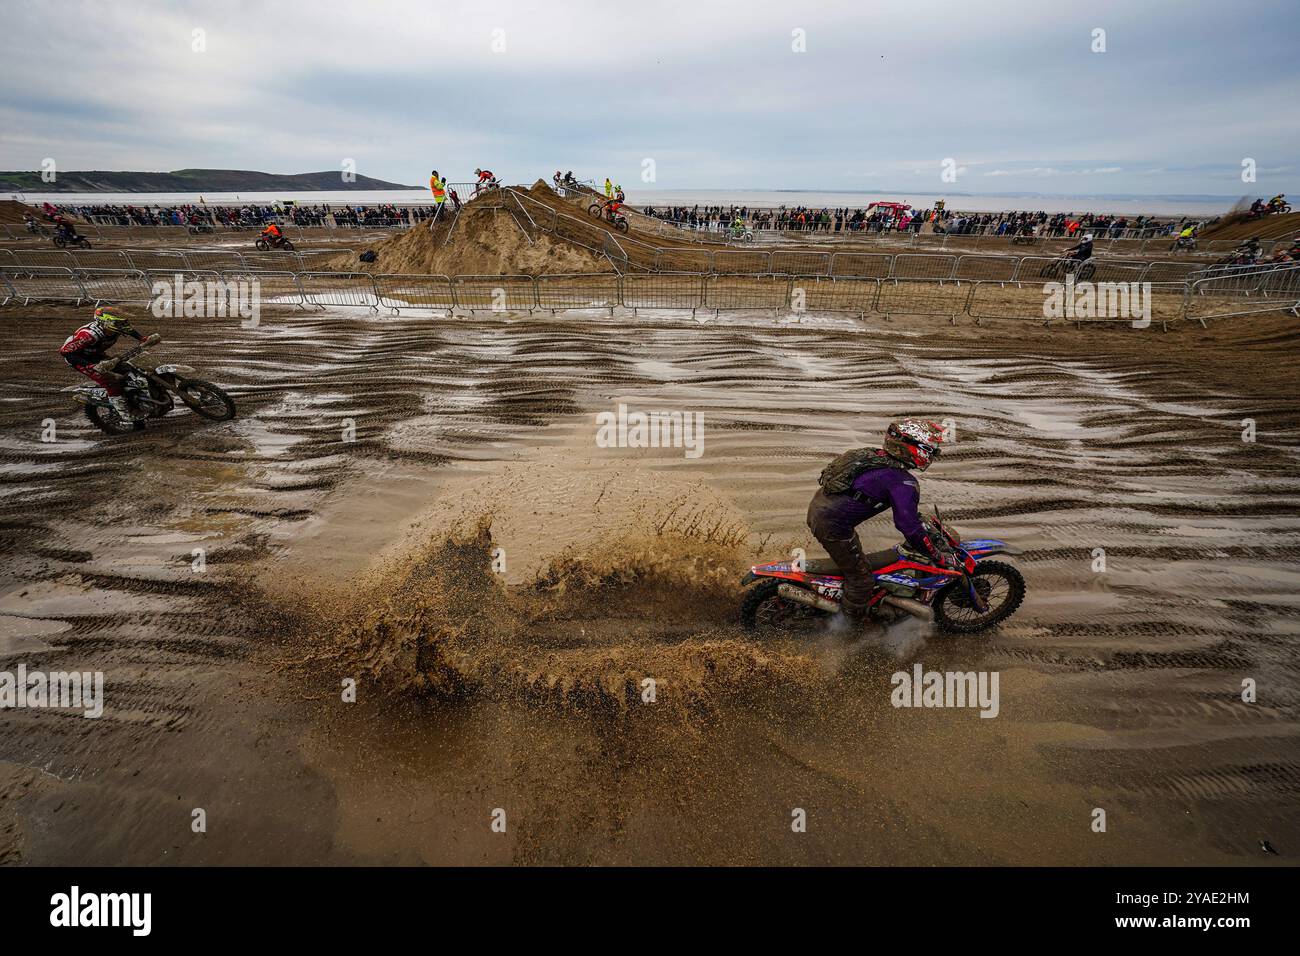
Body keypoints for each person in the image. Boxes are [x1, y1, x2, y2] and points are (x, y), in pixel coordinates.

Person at [806, 420, 954, 623]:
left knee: (856, 564)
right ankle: (848, 626)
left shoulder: (874, 456)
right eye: (928, 449)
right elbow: (907, 525)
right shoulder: (902, 482)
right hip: (832, 525)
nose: (931, 454)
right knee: (861, 579)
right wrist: (935, 554)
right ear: (911, 447)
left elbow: (908, 516)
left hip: (821, 507)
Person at [59, 307, 157, 422]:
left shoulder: (115, 328)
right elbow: (66, 353)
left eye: (122, 322)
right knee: (112, 381)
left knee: (130, 369)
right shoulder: (89, 335)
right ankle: (125, 413)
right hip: (80, 360)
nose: (122, 325)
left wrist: (142, 338)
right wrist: (91, 366)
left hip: (96, 356)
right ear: (106, 322)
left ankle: (137, 397)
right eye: (118, 323)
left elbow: (129, 330)